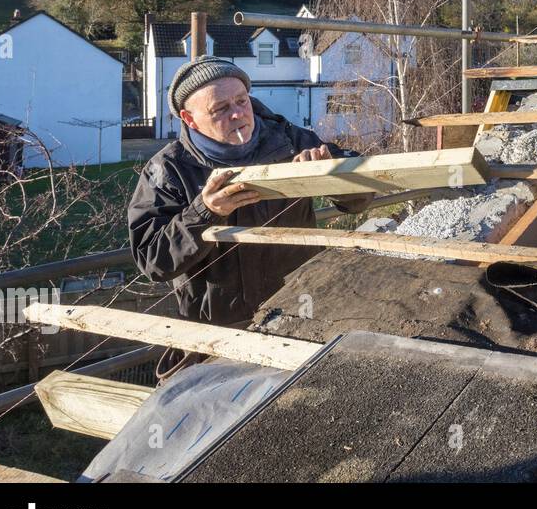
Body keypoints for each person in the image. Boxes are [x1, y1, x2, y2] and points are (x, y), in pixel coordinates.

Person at [128, 56, 373, 375]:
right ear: (190, 118)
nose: (237, 114)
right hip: (221, 338)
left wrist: (330, 176)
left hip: (302, 319)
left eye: (242, 101)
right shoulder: (167, 172)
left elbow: (360, 199)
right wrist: (205, 211)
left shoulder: (291, 140)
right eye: (220, 109)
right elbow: (152, 260)